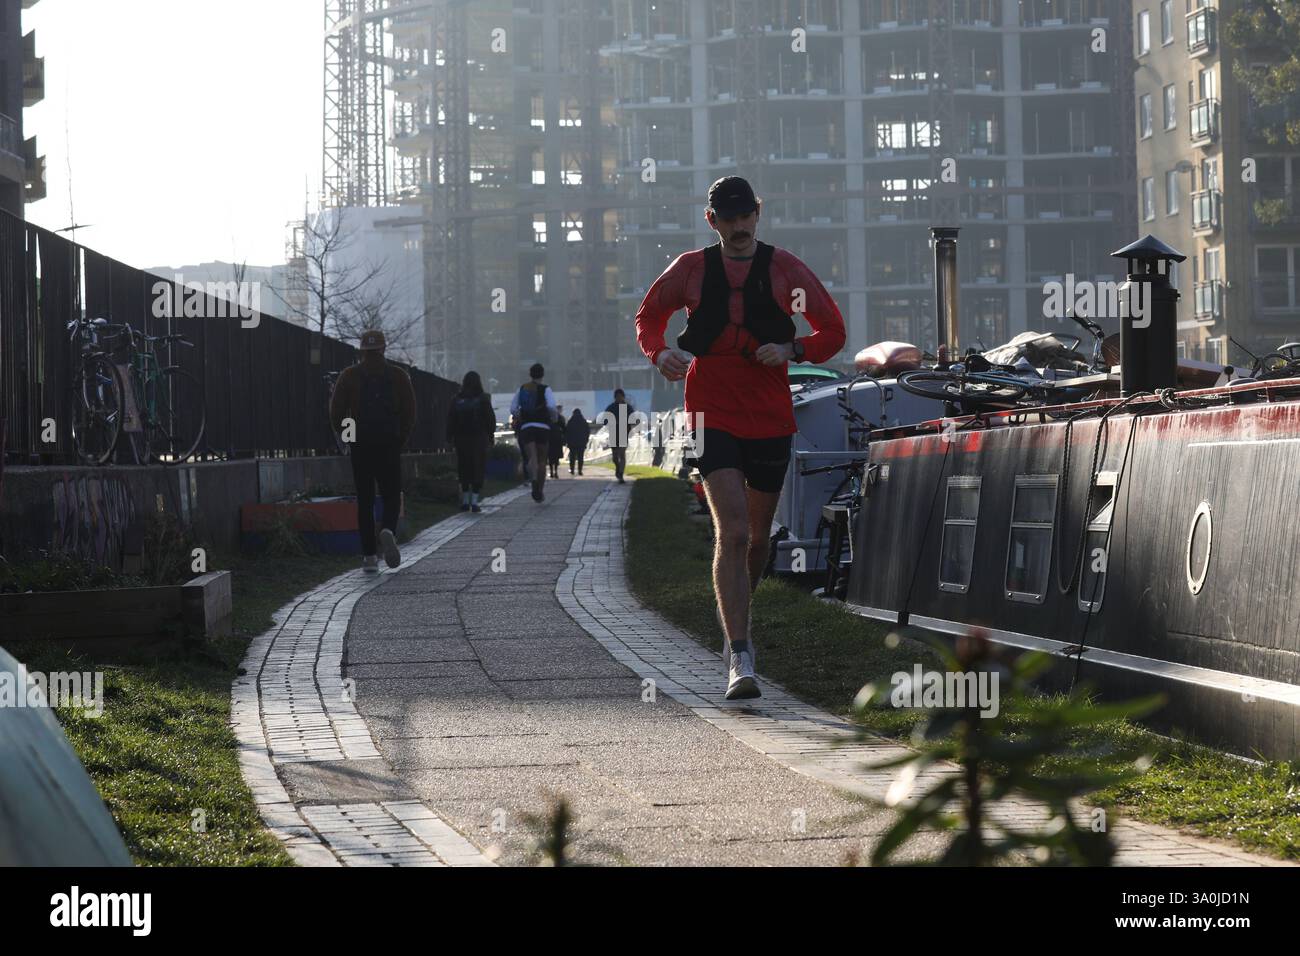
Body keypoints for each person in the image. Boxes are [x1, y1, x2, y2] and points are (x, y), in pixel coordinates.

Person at [635, 175, 846, 700]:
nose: (737, 227)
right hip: (710, 413)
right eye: (726, 219)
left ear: (758, 213)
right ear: (712, 222)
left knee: (755, 539)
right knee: (730, 533)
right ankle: (741, 654)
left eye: (744, 216)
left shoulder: (785, 270)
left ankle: (736, 615)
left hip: (771, 416)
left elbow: (833, 331)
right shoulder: (688, 270)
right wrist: (659, 354)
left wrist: (793, 351)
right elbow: (649, 316)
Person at [329, 329, 418, 573]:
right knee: (391, 494)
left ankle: (369, 557)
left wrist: (350, 439)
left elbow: (337, 413)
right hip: (389, 443)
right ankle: (388, 529)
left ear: (362, 350)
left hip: (361, 445)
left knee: (365, 500)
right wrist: (399, 439)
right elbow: (410, 413)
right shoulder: (398, 376)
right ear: (383, 348)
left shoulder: (349, 376)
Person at [446, 370, 496, 514]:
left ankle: (464, 500)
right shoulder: (483, 399)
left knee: (464, 467)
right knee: (477, 468)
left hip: (461, 439)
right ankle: (474, 501)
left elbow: (451, 419)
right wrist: (490, 435)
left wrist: (449, 437)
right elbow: (490, 420)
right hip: (479, 439)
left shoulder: (456, 399)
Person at [510, 363, 557, 502]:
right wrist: (553, 418)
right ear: (542, 375)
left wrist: (521, 414)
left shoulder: (522, 388)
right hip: (543, 426)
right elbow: (551, 406)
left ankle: (533, 480)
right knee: (542, 460)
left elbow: (513, 408)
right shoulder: (546, 389)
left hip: (527, 427)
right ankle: (540, 491)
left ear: (530, 374)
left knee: (532, 457)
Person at [602, 388, 635, 483]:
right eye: (617, 397)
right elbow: (605, 420)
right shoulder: (611, 407)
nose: (619, 398)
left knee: (622, 455)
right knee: (615, 457)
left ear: (623, 397)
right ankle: (617, 467)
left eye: (620, 396)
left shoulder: (628, 408)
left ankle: (621, 474)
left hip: (624, 433)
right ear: (615, 397)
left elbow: (634, 419)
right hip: (613, 434)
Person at [565, 408, 591, 475]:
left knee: (572, 457)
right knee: (580, 457)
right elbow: (587, 432)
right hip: (581, 443)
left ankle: (572, 469)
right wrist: (586, 440)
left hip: (572, 443)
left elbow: (567, 432)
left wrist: (567, 441)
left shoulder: (570, 421)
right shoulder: (583, 421)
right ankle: (580, 470)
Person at [548, 405, 567, 478]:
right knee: (556, 457)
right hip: (557, 439)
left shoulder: (549, 418)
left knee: (550, 457)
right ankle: (555, 471)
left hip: (550, 439)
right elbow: (565, 429)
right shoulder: (561, 418)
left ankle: (552, 471)